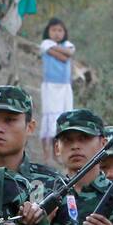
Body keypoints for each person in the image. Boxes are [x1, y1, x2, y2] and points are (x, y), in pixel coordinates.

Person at [39, 18, 75, 163]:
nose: (57, 33)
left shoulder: (67, 44)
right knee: (49, 118)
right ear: (48, 32)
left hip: (65, 87)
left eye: (60, 30)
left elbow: (69, 54)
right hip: (50, 87)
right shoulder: (45, 43)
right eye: (53, 30)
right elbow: (64, 57)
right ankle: (46, 155)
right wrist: (63, 53)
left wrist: (59, 51)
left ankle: (58, 154)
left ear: (65, 32)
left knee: (64, 118)